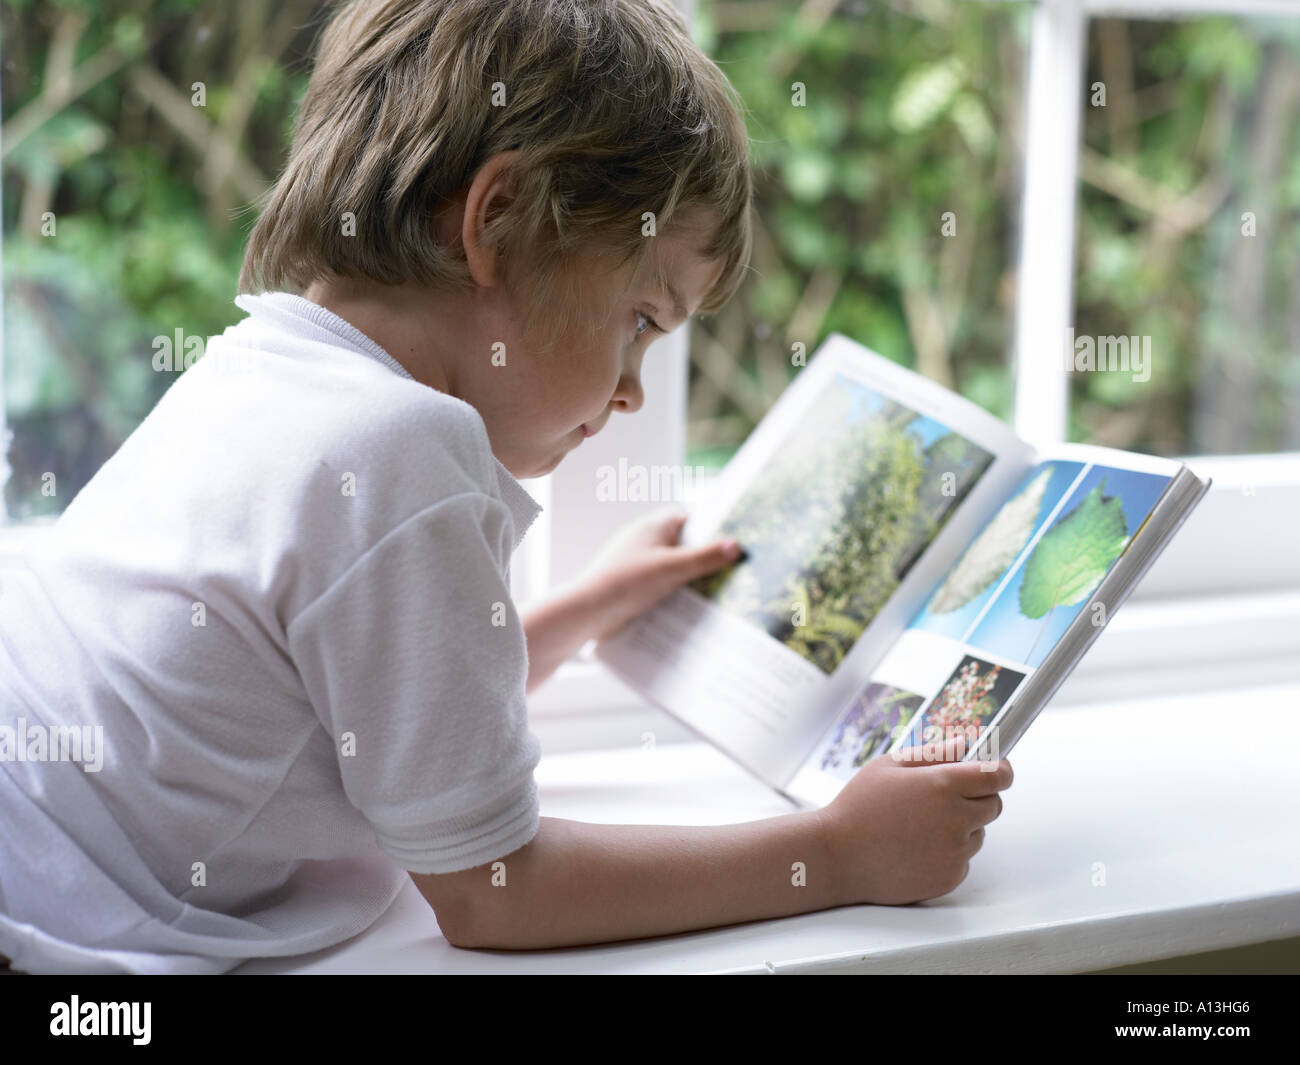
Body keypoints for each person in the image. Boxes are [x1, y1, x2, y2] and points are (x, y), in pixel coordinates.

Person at [0, 0, 1011, 974]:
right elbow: (493, 890)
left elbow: (350, 692)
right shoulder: (401, 444)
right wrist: (833, 854)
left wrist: (574, 614)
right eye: (643, 322)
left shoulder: (260, 362)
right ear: (498, 218)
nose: (630, 392)